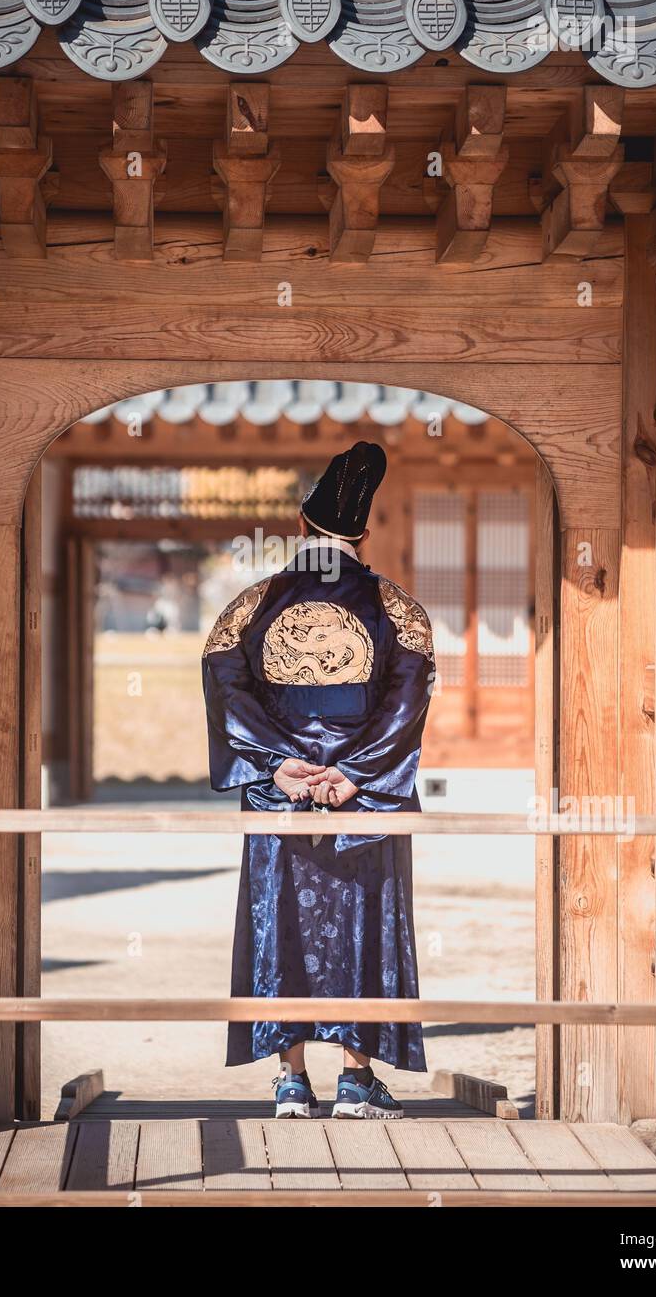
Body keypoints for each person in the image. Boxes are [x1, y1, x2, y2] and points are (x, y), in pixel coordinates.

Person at [202, 441, 435, 1120]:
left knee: (282, 926)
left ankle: (290, 1081)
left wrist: (279, 763)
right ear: (362, 535)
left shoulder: (250, 603)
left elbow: (226, 690)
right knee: (364, 921)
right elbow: (407, 705)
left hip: (281, 794)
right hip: (362, 796)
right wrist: (353, 773)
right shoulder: (399, 608)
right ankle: (356, 1079)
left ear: (301, 528)